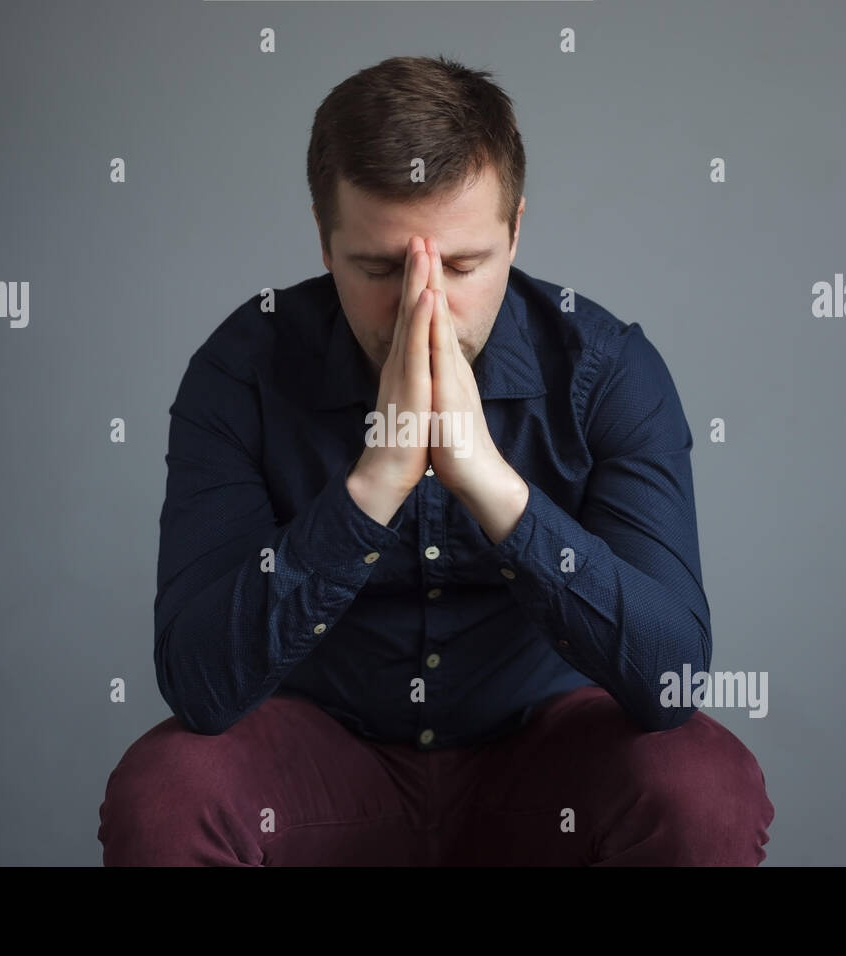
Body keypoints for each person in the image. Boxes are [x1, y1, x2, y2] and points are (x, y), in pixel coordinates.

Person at [98, 54, 774, 866]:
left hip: (544, 765)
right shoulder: (242, 369)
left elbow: (671, 685)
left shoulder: (607, 371)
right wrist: (371, 487)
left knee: (703, 785)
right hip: (321, 766)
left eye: (463, 265)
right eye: (381, 268)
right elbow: (201, 689)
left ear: (516, 229)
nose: (428, 307)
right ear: (323, 240)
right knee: (166, 791)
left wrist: (494, 489)